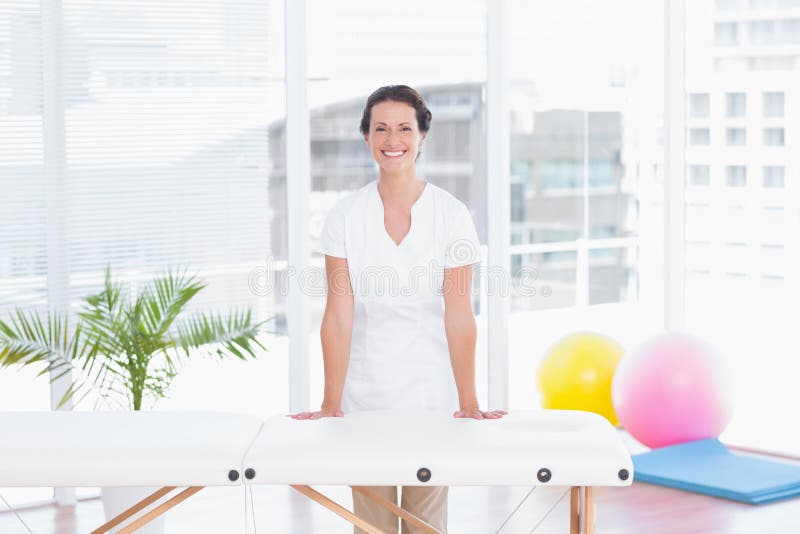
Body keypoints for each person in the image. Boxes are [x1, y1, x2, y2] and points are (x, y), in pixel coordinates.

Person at [290, 85, 506, 534]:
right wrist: (331, 403)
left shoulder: (451, 215)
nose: (393, 140)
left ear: (422, 136)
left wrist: (468, 401)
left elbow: (459, 314)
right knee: (372, 524)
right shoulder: (345, 216)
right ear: (366, 137)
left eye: (405, 128)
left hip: (433, 397)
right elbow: (338, 315)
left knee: (426, 523)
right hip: (364, 396)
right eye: (381, 129)